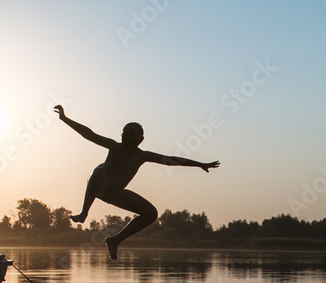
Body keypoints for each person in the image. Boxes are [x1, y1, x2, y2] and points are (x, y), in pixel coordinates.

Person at [53, 105, 220, 259]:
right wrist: (65, 118)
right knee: (99, 171)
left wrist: (200, 164)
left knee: (151, 213)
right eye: (125, 133)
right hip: (99, 186)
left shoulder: (142, 156)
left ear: (141, 139)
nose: (127, 136)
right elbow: (89, 134)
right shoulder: (115, 147)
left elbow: (172, 160)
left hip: (116, 194)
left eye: (132, 134)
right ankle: (84, 213)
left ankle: (114, 240)